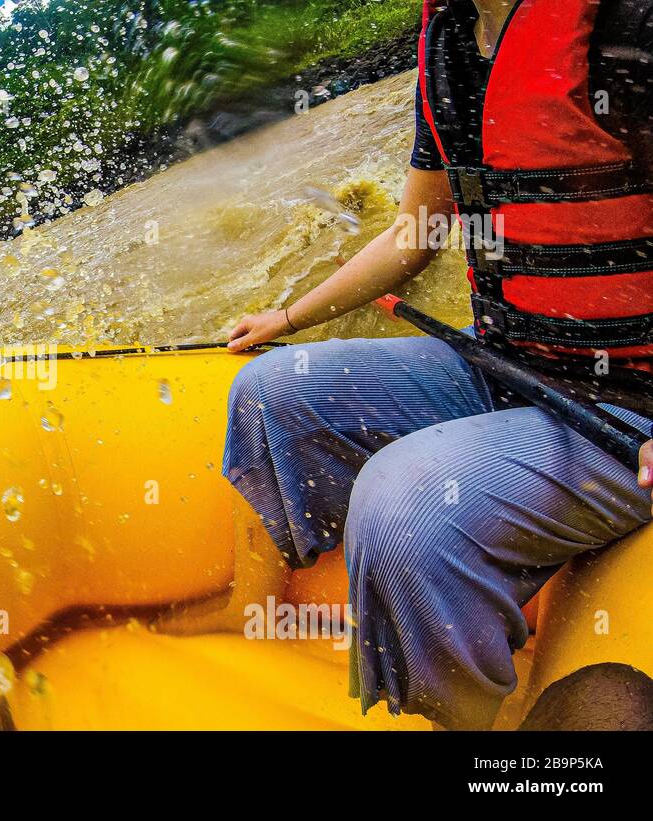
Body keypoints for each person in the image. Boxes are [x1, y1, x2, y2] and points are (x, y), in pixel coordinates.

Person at [223, 0, 653, 729]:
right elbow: (414, 232)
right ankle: (250, 611)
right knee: (269, 391)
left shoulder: (628, 28)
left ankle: (467, 720)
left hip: (627, 409)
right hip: (504, 362)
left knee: (406, 502)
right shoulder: (455, 42)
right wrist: (289, 318)